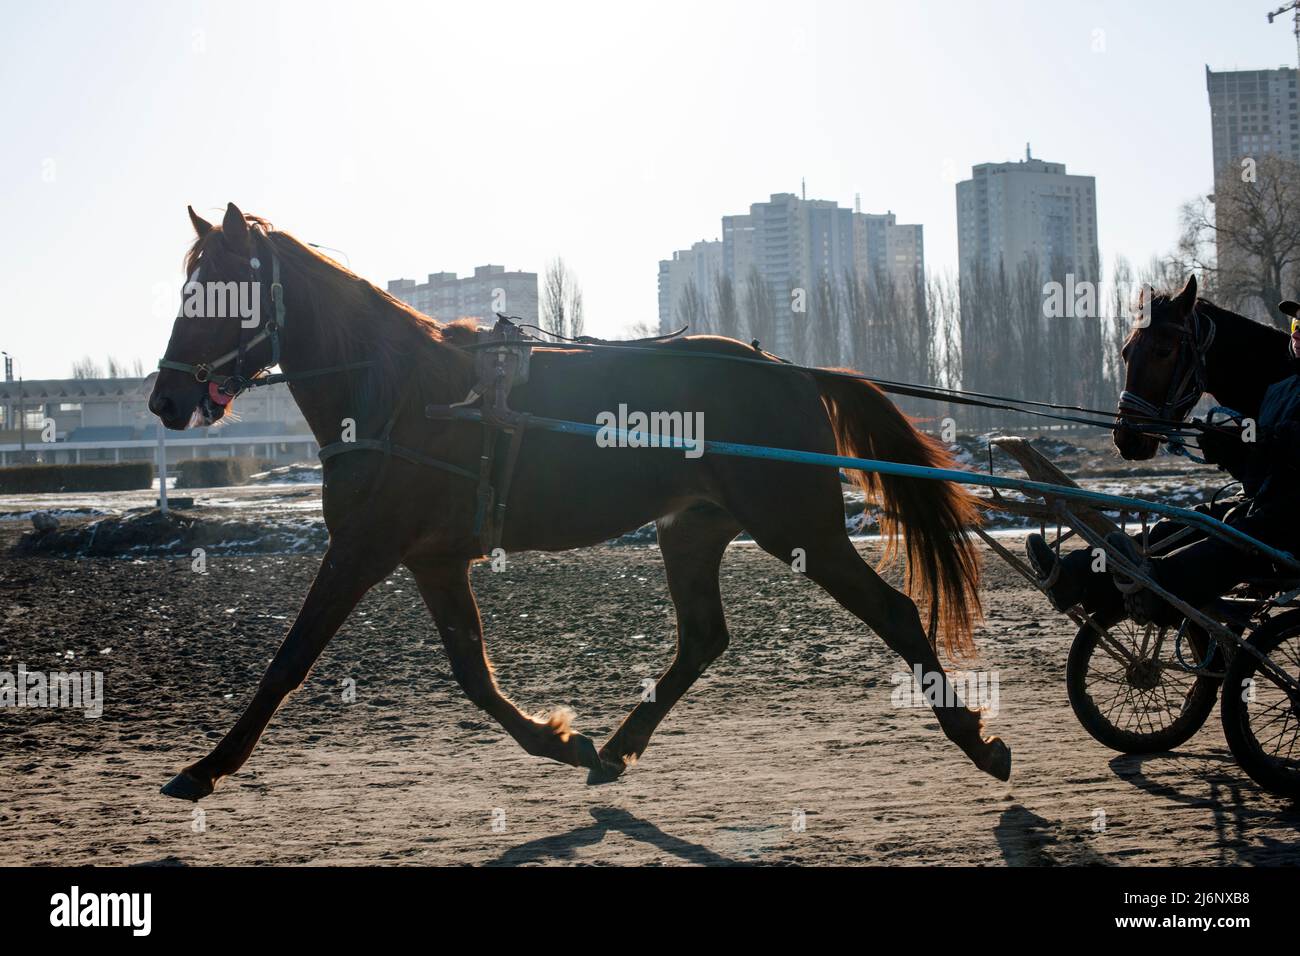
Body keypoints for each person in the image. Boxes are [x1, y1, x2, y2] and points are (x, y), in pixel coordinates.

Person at [1027, 300, 1300, 624]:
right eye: (1296, 328)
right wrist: (1230, 449)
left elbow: (1287, 445)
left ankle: (1157, 588)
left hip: (1290, 523)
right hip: (1270, 505)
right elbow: (1264, 468)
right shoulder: (1286, 386)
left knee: (1237, 540)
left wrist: (1255, 441)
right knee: (1192, 523)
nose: (1296, 337)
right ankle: (1078, 575)